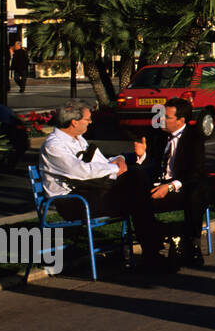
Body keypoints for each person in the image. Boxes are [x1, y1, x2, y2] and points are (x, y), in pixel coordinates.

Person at [38, 99, 169, 273]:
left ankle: (152, 251)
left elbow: (100, 162)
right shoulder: (53, 146)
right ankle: (154, 246)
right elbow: (81, 171)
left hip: (90, 193)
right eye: (87, 119)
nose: (91, 122)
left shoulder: (78, 139)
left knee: (136, 187)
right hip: (72, 202)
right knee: (137, 193)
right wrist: (116, 168)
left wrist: (121, 159)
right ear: (74, 122)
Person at [141, 98, 210, 268]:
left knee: (196, 191)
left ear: (181, 120)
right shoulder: (158, 136)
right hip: (159, 184)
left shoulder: (194, 137)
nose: (161, 120)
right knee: (137, 196)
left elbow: (195, 172)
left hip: (183, 186)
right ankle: (154, 248)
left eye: (167, 117)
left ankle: (194, 245)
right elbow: (151, 163)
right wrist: (142, 156)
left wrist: (171, 186)